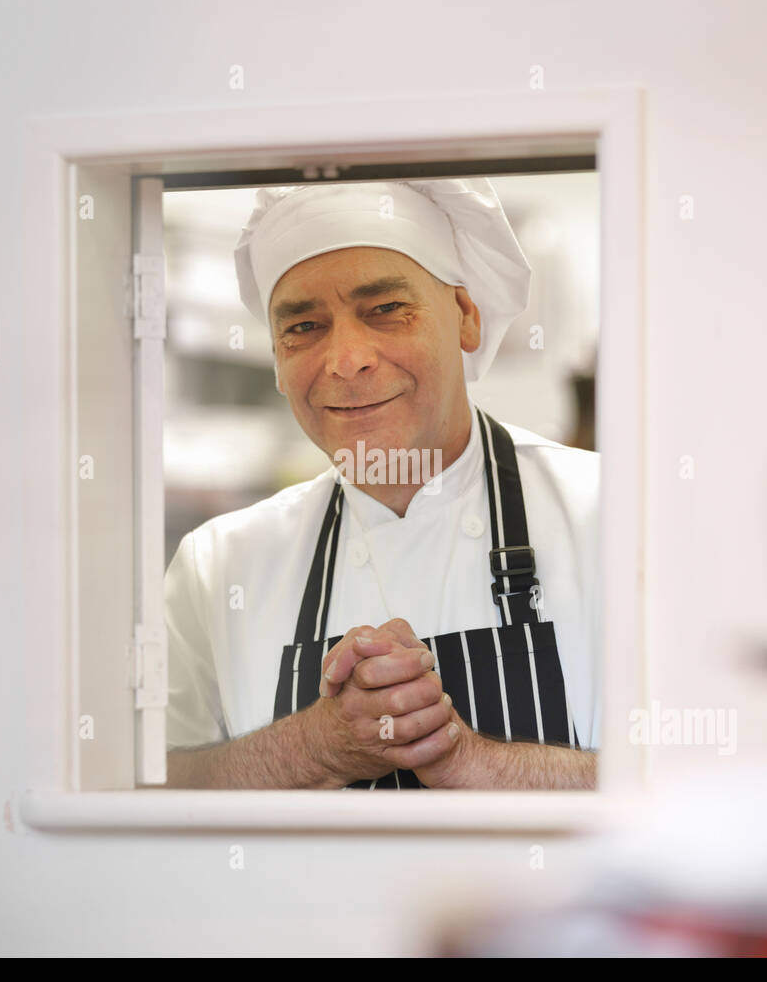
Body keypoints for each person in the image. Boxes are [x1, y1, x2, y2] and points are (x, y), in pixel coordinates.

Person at [162, 178, 600, 790]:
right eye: (304, 327)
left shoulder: (612, 512)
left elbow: (707, 780)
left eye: (386, 310)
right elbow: (146, 794)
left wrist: (473, 761)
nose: (347, 358)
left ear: (466, 318)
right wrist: (311, 747)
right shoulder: (217, 567)